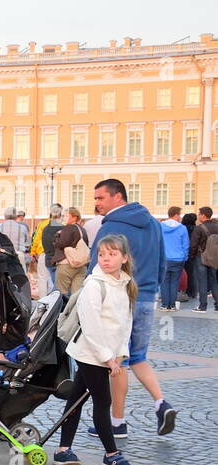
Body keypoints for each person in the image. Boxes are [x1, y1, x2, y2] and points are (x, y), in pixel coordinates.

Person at [89, 179, 175, 437]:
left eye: (100, 198)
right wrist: (151, 289)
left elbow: (97, 266)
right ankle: (161, 403)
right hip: (146, 297)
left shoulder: (112, 227)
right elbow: (163, 261)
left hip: (119, 299)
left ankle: (117, 422)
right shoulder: (152, 223)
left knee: (118, 361)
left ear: (118, 197)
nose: (96, 204)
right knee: (138, 357)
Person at [53, 234, 137, 465]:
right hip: (91, 353)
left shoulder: (125, 284)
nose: (106, 259)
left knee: (75, 401)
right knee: (103, 402)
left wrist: (120, 353)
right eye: (102, 254)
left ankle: (62, 450)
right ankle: (111, 454)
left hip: (107, 353)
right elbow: (91, 326)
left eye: (112, 254)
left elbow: (125, 323)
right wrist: (107, 357)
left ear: (124, 258)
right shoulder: (94, 284)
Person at [159, 206, 190, 311]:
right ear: (176, 215)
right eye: (179, 215)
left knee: (164, 282)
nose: (180, 217)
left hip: (164, 258)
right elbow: (185, 245)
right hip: (178, 258)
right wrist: (185, 257)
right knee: (174, 282)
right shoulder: (182, 228)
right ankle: (172, 305)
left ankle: (164, 304)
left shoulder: (160, 226)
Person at [53, 207, 90, 295]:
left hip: (66, 264)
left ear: (74, 217)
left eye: (66, 216)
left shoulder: (69, 228)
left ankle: (63, 309)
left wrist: (57, 236)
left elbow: (61, 243)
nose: (64, 218)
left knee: (62, 294)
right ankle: (75, 309)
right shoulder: (82, 230)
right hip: (81, 265)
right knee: (76, 295)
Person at [192, 206, 218, 310]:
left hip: (201, 257)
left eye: (199, 214)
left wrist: (191, 256)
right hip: (215, 258)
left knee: (202, 282)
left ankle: (202, 306)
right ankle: (217, 306)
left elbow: (193, 245)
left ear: (203, 215)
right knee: (215, 281)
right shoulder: (217, 226)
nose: (198, 216)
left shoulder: (199, 228)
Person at [179, 211, 198, 301]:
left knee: (180, 273)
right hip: (194, 254)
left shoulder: (182, 228)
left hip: (182, 253)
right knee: (192, 274)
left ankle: (182, 290)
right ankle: (192, 292)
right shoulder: (196, 229)